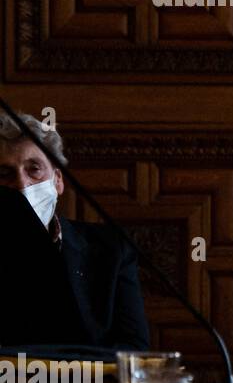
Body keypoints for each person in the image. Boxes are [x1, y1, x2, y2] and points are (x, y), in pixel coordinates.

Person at [0, 112, 149, 351]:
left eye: (34, 169)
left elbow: (134, 349)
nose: (21, 184)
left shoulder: (111, 249)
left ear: (58, 180)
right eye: (5, 174)